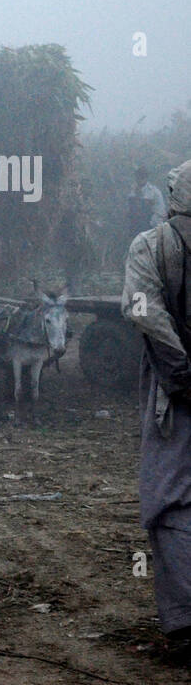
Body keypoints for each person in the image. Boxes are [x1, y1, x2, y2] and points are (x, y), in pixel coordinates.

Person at [122, 158, 191, 654]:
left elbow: (142, 309)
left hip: (176, 392)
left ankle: (186, 621)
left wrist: (180, 367)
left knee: (170, 500)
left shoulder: (152, 245)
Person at [126, 165, 168, 241]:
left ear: (147, 177)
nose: (141, 178)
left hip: (149, 229)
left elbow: (160, 212)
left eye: (143, 176)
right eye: (139, 176)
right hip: (133, 228)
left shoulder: (155, 192)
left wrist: (152, 227)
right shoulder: (130, 191)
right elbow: (128, 209)